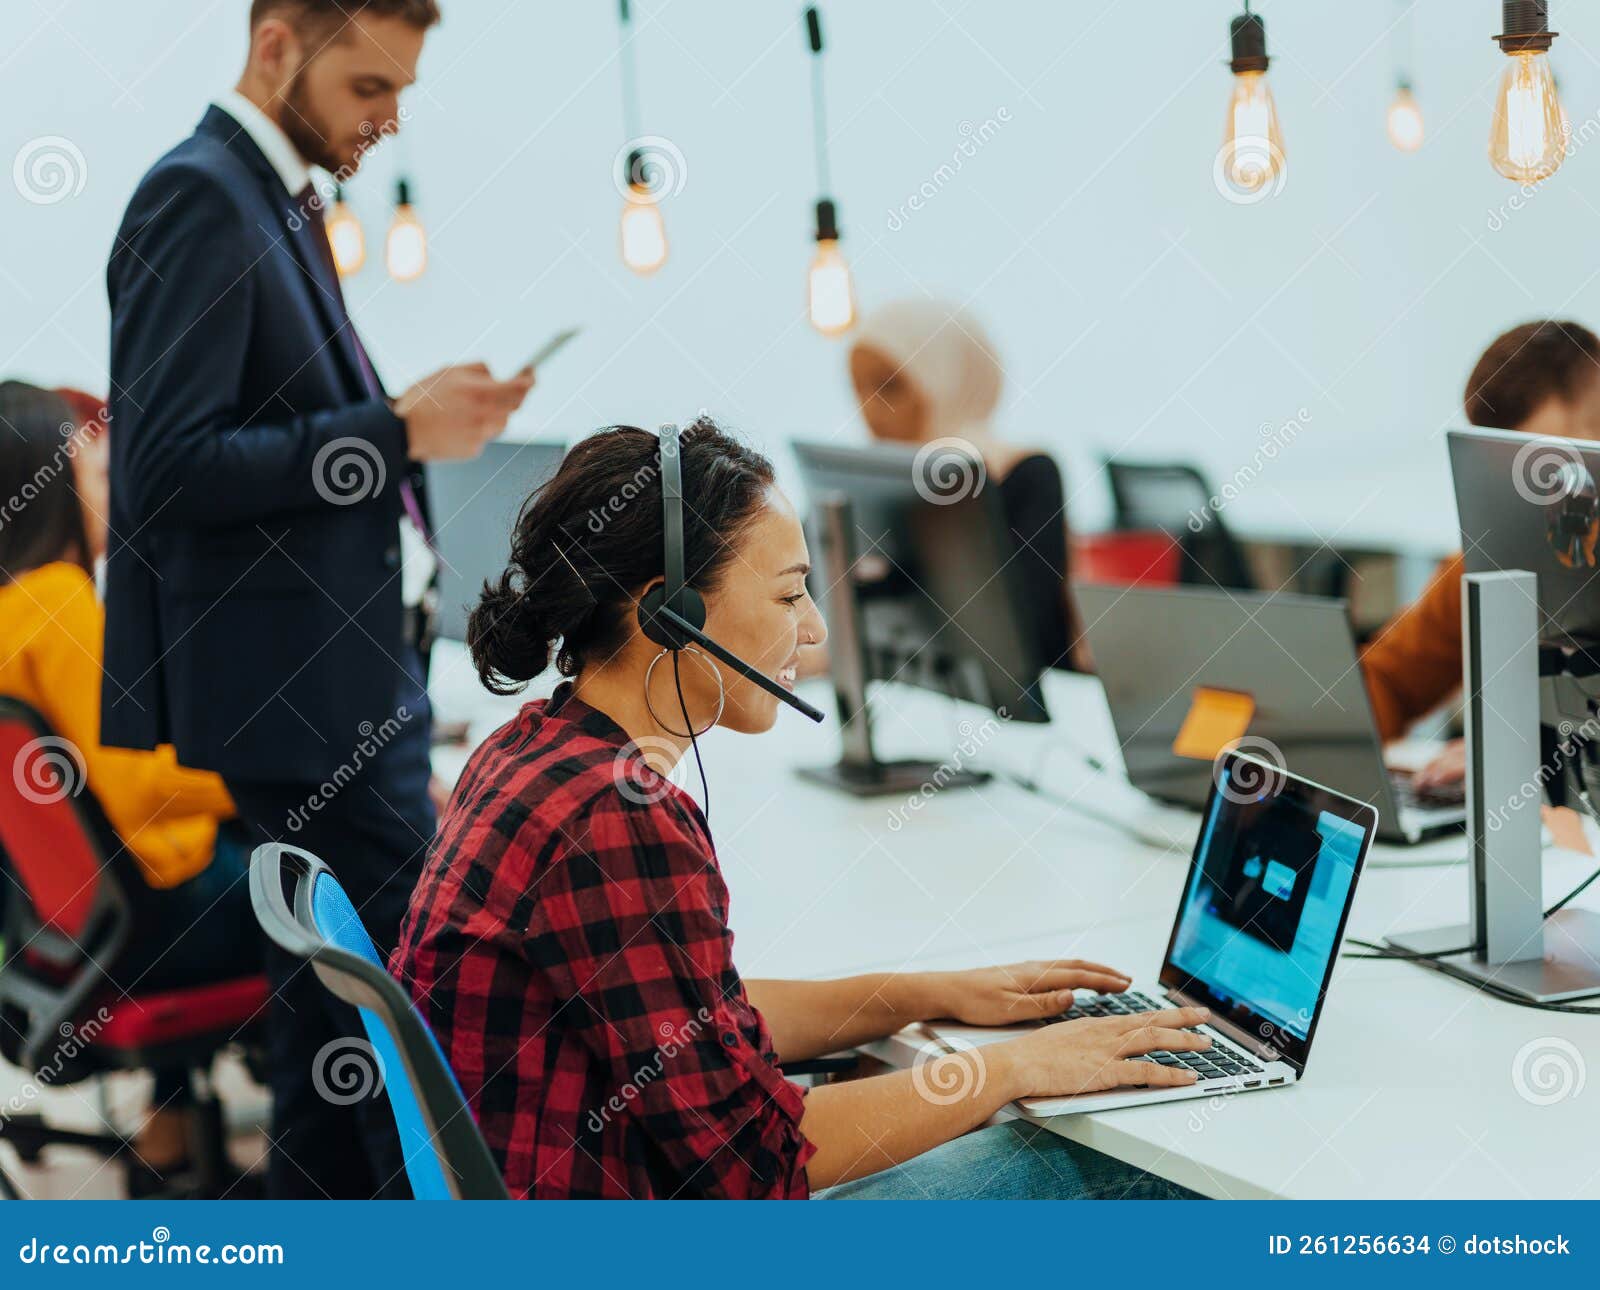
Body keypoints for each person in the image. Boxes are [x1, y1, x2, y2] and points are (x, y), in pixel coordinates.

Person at [392, 420, 1209, 1200]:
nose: (814, 629)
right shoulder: (615, 819)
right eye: (789, 598)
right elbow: (761, 1169)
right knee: (1129, 1178)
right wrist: (1018, 1067)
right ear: (668, 612)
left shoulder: (531, 750)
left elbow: (701, 1021)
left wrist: (928, 994)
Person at [101, 0, 533, 1197]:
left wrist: (401, 427)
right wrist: (396, 426)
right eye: (367, 87)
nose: (388, 118)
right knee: (418, 1012)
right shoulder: (201, 194)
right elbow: (167, 467)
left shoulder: (267, 197)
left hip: (328, 694)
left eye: (399, 90)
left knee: (331, 1036)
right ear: (277, 41)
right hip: (308, 706)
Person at [0, 382, 259, 1190]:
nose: (112, 492)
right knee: (343, 873)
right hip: (153, 927)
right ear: (47, 482)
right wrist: (265, 774)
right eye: (95, 474)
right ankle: (343, 1160)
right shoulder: (57, 601)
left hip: (65, 931)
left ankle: (171, 1126)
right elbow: (137, 791)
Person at [1361, 320, 1600, 790]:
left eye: (1548, 467)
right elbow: (1386, 681)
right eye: (1504, 469)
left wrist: (1529, 753)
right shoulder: (1491, 559)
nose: (1532, 498)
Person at [846, 298, 1089, 672]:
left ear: (945, 378)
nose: (870, 410)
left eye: (889, 386)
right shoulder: (870, 486)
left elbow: (1030, 639)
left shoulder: (1023, 474)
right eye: (859, 388)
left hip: (1036, 707)